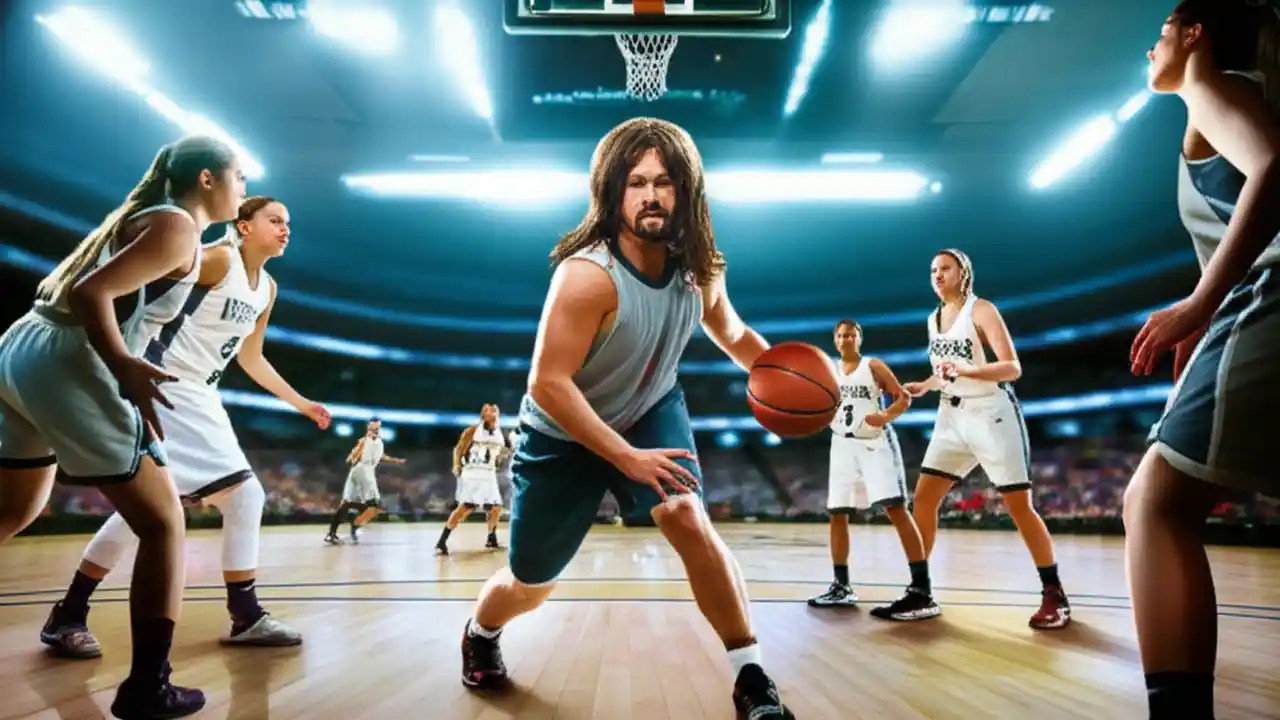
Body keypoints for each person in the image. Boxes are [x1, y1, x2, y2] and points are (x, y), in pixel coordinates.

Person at [458, 117, 793, 719]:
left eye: (664, 182)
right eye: (635, 182)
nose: (650, 195)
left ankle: (751, 678)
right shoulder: (587, 276)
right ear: (612, 191)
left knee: (688, 516)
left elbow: (735, 334)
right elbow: (548, 384)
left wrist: (786, 375)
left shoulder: (701, 269)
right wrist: (625, 458)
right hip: (562, 433)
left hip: (649, 410)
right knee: (530, 584)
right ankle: (481, 631)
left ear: (686, 189)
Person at [0, 135, 245, 718]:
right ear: (207, 179)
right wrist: (125, 368)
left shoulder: (150, 217)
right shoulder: (179, 227)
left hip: (21, 348)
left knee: (12, 511)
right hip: (69, 360)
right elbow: (93, 292)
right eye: (238, 175)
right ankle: (146, 686)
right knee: (164, 522)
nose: (244, 186)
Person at [39, 196, 330, 659]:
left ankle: (69, 612)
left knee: (152, 510)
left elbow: (251, 358)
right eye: (274, 220)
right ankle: (246, 614)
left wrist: (302, 404)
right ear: (244, 225)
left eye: (288, 222)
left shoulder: (267, 289)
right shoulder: (215, 259)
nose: (285, 228)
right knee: (242, 495)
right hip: (166, 382)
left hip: (199, 394)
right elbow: (147, 293)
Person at [1128, 3, 1280, 717]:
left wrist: (1198, 302)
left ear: (1195, 35)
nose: (1151, 45)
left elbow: (1274, 167)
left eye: (1161, 30)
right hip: (1251, 302)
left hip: (1273, 294)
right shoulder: (1238, 91)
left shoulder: (1214, 87)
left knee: (1155, 503)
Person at [902, 248, 1070, 630]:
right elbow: (947, 372)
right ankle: (920, 589)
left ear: (964, 273)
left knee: (1018, 506)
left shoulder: (982, 310)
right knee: (925, 497)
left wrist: (969, 370)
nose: (937, 274)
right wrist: (925, 385)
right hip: (951, 415)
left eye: (945, 268)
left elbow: (1012, 367)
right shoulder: (933, 319)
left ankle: (1053, 592)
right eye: (932, 269)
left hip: (991, 413)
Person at [808, 319, 941, 622]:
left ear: (860, 338)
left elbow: (902, 397)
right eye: (841, 335)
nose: (845, 339)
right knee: (837, 513)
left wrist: (885, 416)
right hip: (841, 443)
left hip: (873, 444)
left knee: (896, 510)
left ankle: (922, 588)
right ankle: (841, 586)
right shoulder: (828, 369)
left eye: (851, 334)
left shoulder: (873, 365)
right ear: (834, 340)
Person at [435, 403, 511, 555]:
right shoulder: (472, 431)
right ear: (484, 414)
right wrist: (456, 465)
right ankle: (442, 541)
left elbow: (500, 453)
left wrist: (503, 456)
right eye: (491, 411)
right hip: (473, 472)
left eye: (496, 411)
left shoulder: (499, 434)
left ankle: (491, 539)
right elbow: (458, 448)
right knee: (466, 508)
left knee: (496, 507)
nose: (494, 413)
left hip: (489, 473)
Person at [324, 417, 405, 545]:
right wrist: (355, 454)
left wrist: (395, 460)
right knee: (376, 506)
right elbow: (353, 456)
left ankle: (332, 533)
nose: (375, 430)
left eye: (377, 428)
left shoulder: (378, 442)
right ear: (368, 427)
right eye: (373, 427)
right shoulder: (365, 440)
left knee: (346, 503)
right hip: (364, 470)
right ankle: (355, 524)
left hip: (358, 470)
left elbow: (380, 456)